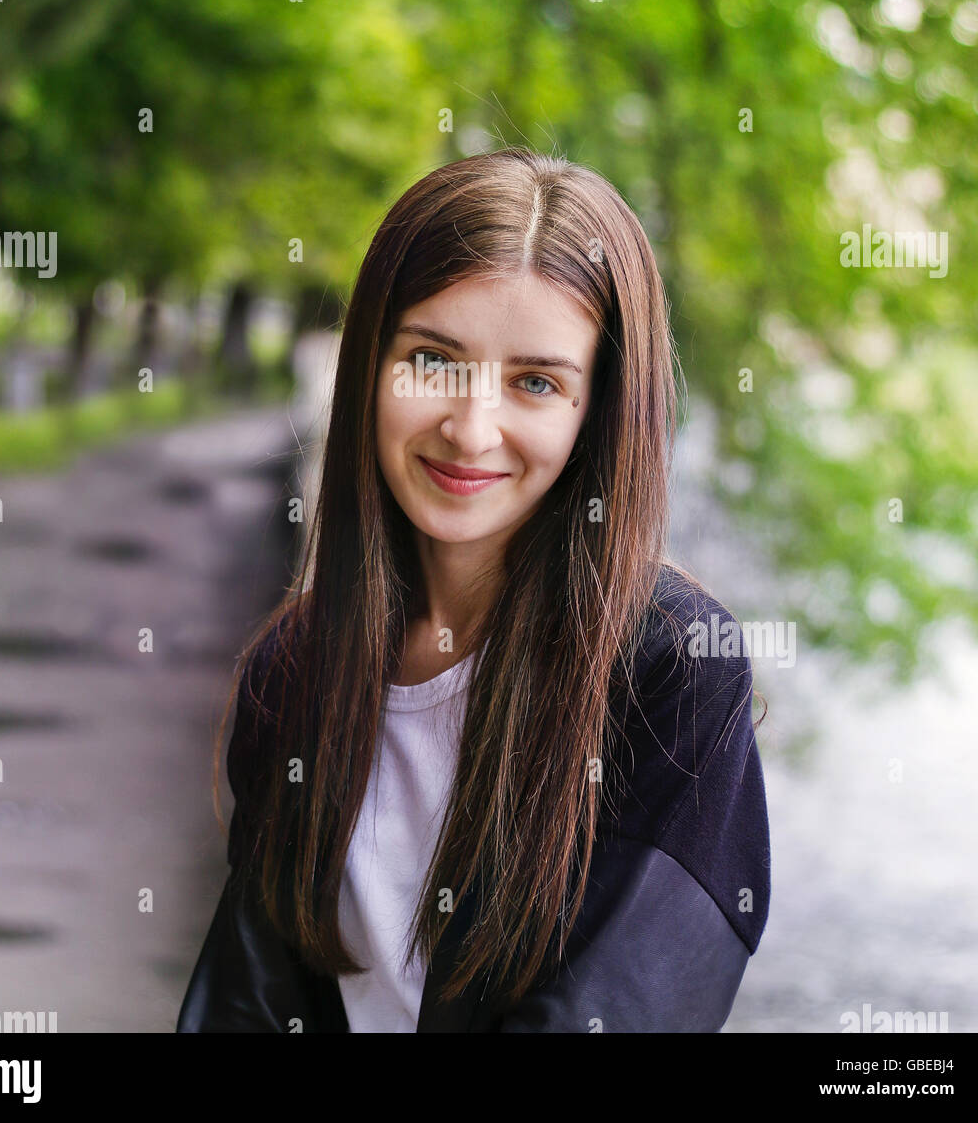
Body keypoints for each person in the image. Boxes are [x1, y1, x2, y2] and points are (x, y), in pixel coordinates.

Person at [176, 146, 771, 1033]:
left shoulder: (670, 671)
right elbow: (246, 1004)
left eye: (536, 382)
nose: (470, 428)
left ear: (597, 411)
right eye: (433, 359)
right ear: (372, 364)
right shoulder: (296, 667)